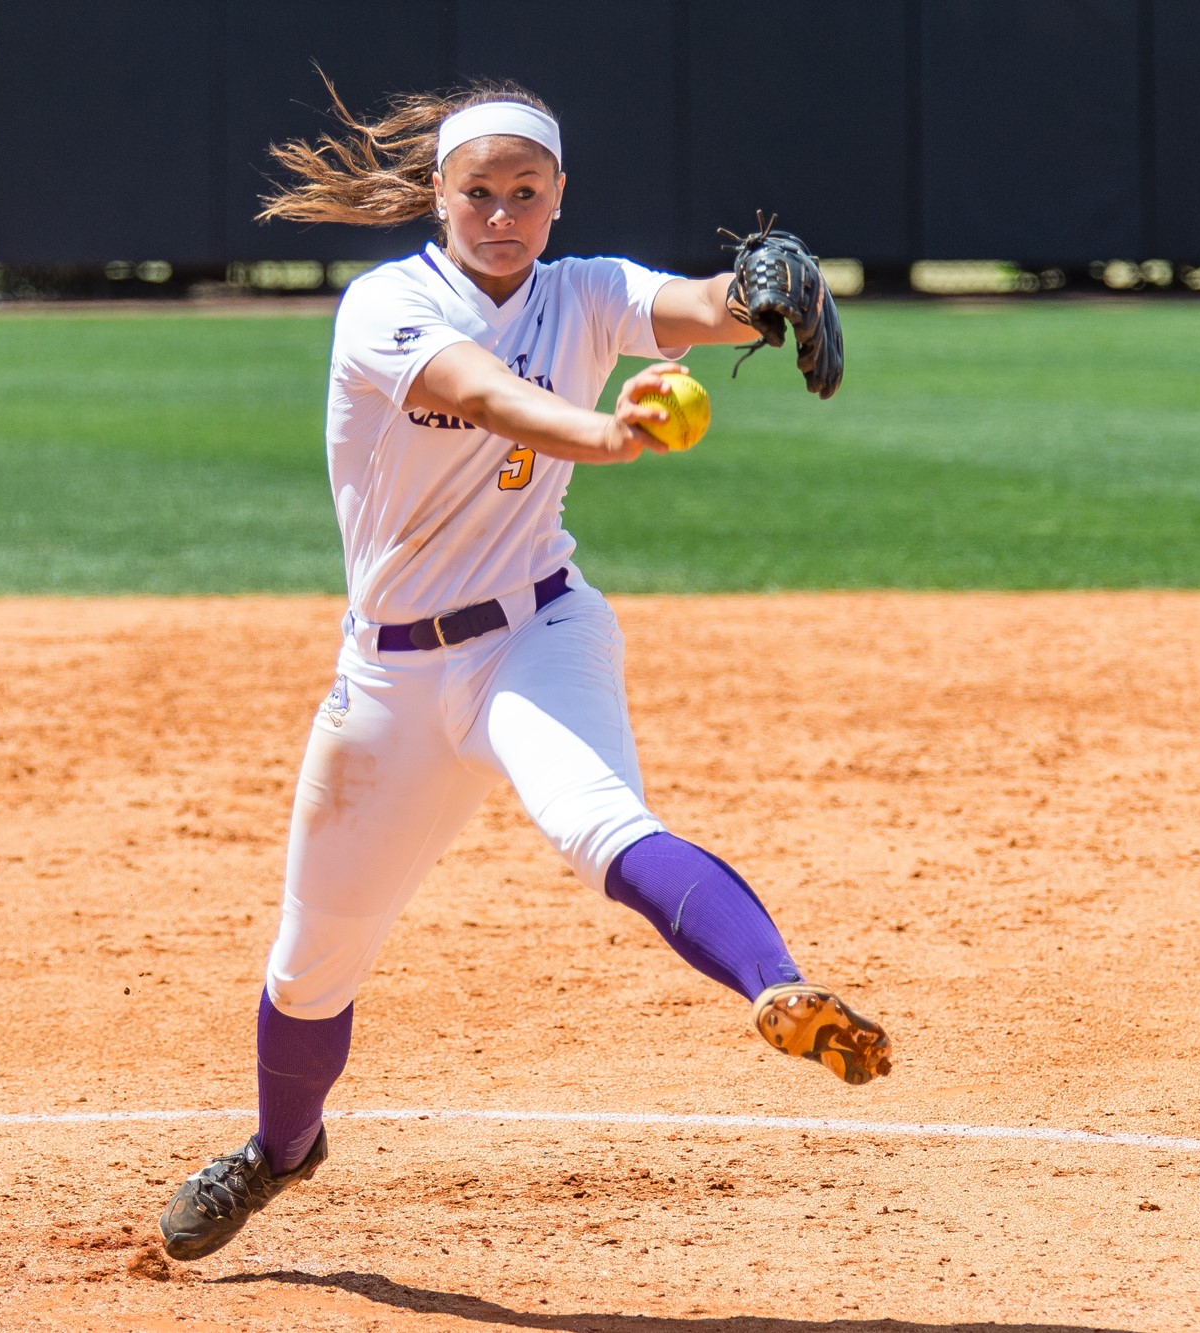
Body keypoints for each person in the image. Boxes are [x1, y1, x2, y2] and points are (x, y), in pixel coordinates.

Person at [158, 78, 886, 1262]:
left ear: (556, 201)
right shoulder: (384, 305)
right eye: (478, 192)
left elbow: (695, 303)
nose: (501, 212)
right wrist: (604, 432)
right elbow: (483, 395)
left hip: (535, 635)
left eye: (525, 193)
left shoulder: (584, 291)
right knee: (309, 965)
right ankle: (279, 1150)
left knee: (597, 820)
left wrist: (763, 296)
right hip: (387, 684)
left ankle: (777, 988)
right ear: (438, 199)